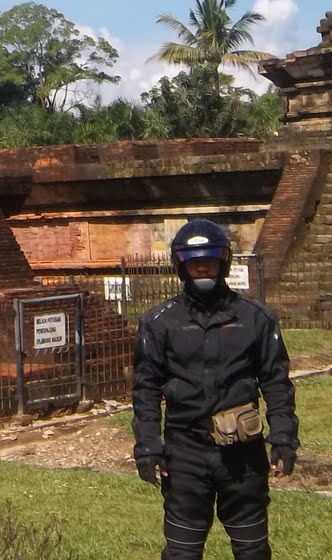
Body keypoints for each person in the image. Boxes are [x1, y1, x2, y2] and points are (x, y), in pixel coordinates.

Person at [132, 218, 298, 560]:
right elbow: (146, 389)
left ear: (224, 262)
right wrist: (148, 447)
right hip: (185, 453)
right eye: (195, 262)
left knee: (252, 549)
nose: (202, 267)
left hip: (243, 453)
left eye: (209, 260)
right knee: (182, 551)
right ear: (181, 266)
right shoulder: (159, 322)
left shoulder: (256, 319)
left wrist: (283, 438)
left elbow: (277, 382)